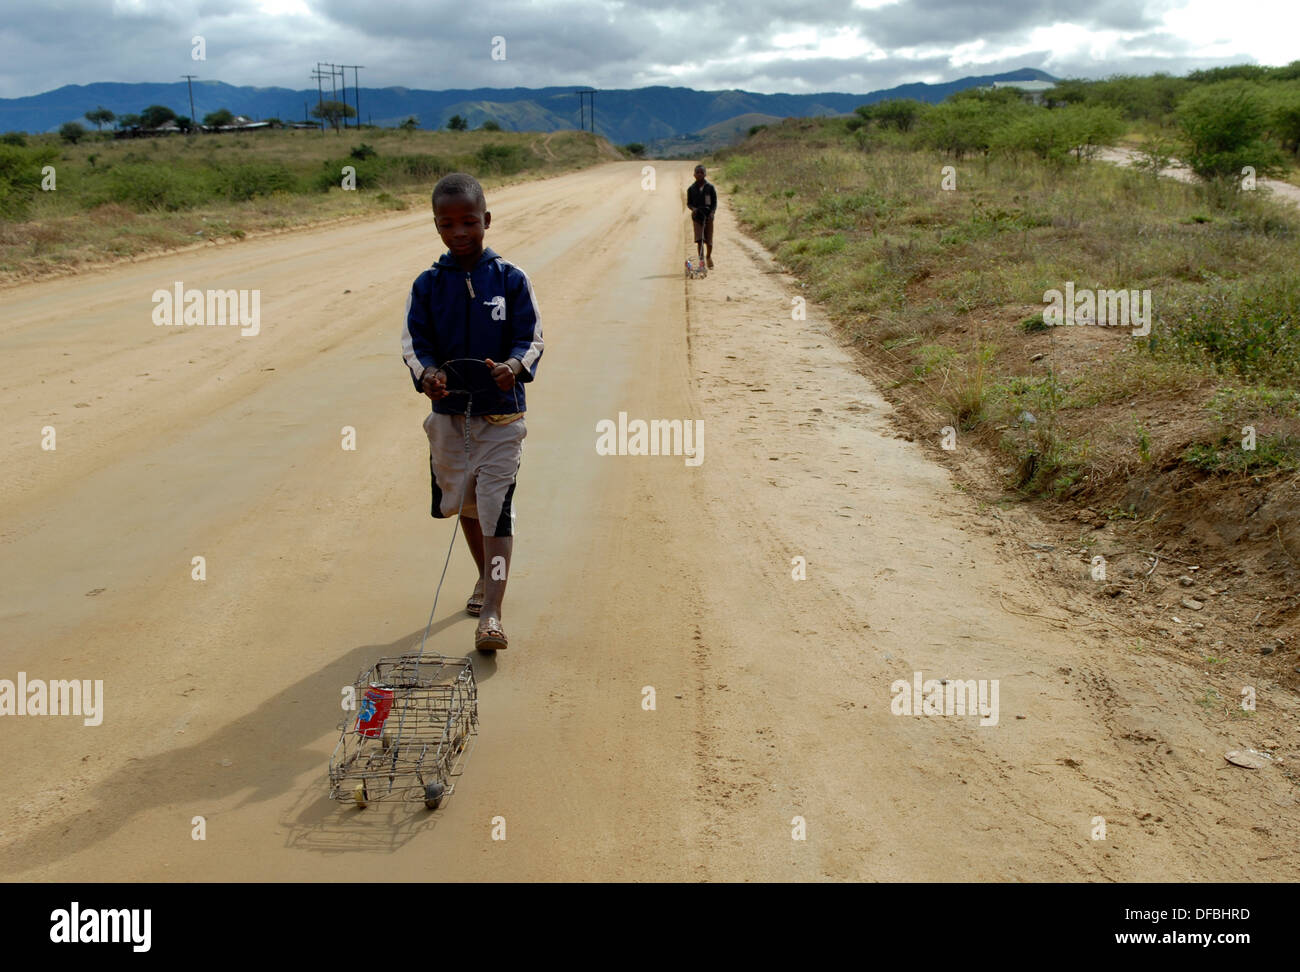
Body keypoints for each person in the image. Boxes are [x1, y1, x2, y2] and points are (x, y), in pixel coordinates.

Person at [401, 172, 544, 653]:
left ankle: (493, 614)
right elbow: (413, 344)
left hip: (501, 417)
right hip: (448, 418)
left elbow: (532, 338)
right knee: (463, 504)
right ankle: (485, 578)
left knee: (495, 508)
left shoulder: (511, 279)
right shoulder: (427, 285)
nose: (459, 232)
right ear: (437, 226)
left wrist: (512, 366)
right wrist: (428, 376)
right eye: (448, 223)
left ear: (486, 219)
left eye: (468, 221)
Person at [686, 164, 717, 268]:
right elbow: (689, 203)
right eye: (697, 172)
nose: (699, 174)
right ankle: (701, 260)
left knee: (709, 241)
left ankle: (708, 256)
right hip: (697, 217)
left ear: (705, 174)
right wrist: (693, 209)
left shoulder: (710, 188)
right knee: (700, 240)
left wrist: (712, 213)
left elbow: (714, 203)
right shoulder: (691, 189)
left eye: (701, 172)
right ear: (694, 174)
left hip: (708, 216)